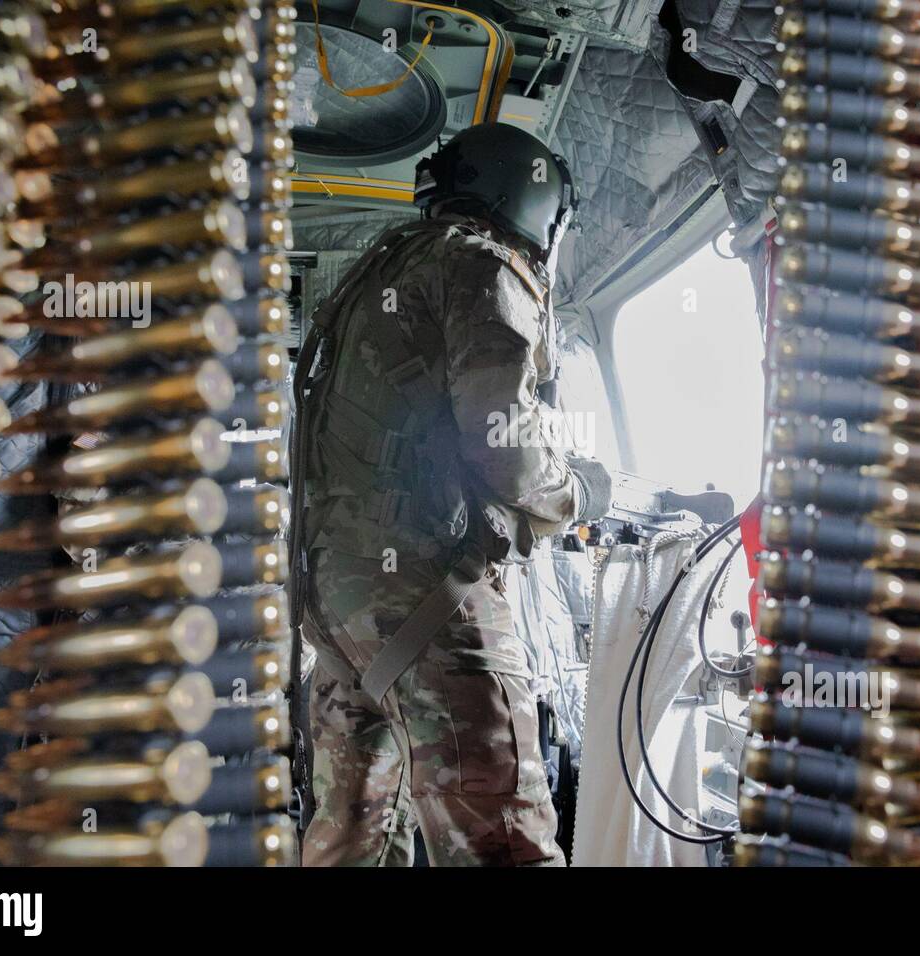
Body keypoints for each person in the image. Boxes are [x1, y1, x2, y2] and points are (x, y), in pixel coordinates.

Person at [292, 122, 613, 866]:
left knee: (351, 836)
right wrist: (576, 496)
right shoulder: (482, 266)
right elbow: (502, 435)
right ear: (533, 199)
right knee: (500, 836)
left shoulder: (375, 275)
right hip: (431, 594)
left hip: (339, 606)